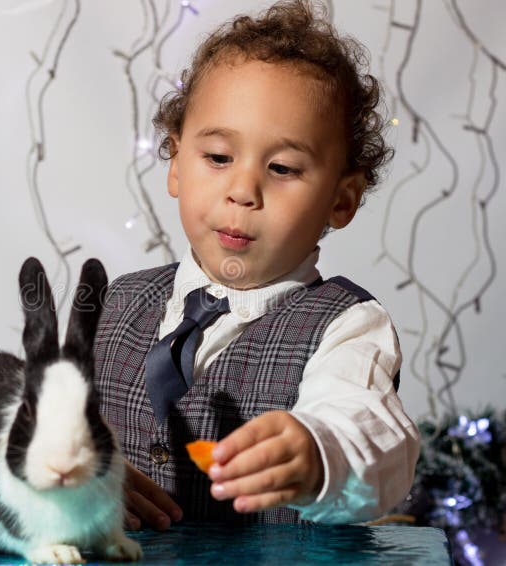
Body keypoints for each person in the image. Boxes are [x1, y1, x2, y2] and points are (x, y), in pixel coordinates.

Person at [93, 0, 420, 529]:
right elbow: (42, 419)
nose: (243, 191)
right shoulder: (115, 304)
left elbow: (375, 435)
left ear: (342, 200)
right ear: (175, 162)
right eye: (218, 158)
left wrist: (320, 454)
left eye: (283, 167)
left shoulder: (346, 327)